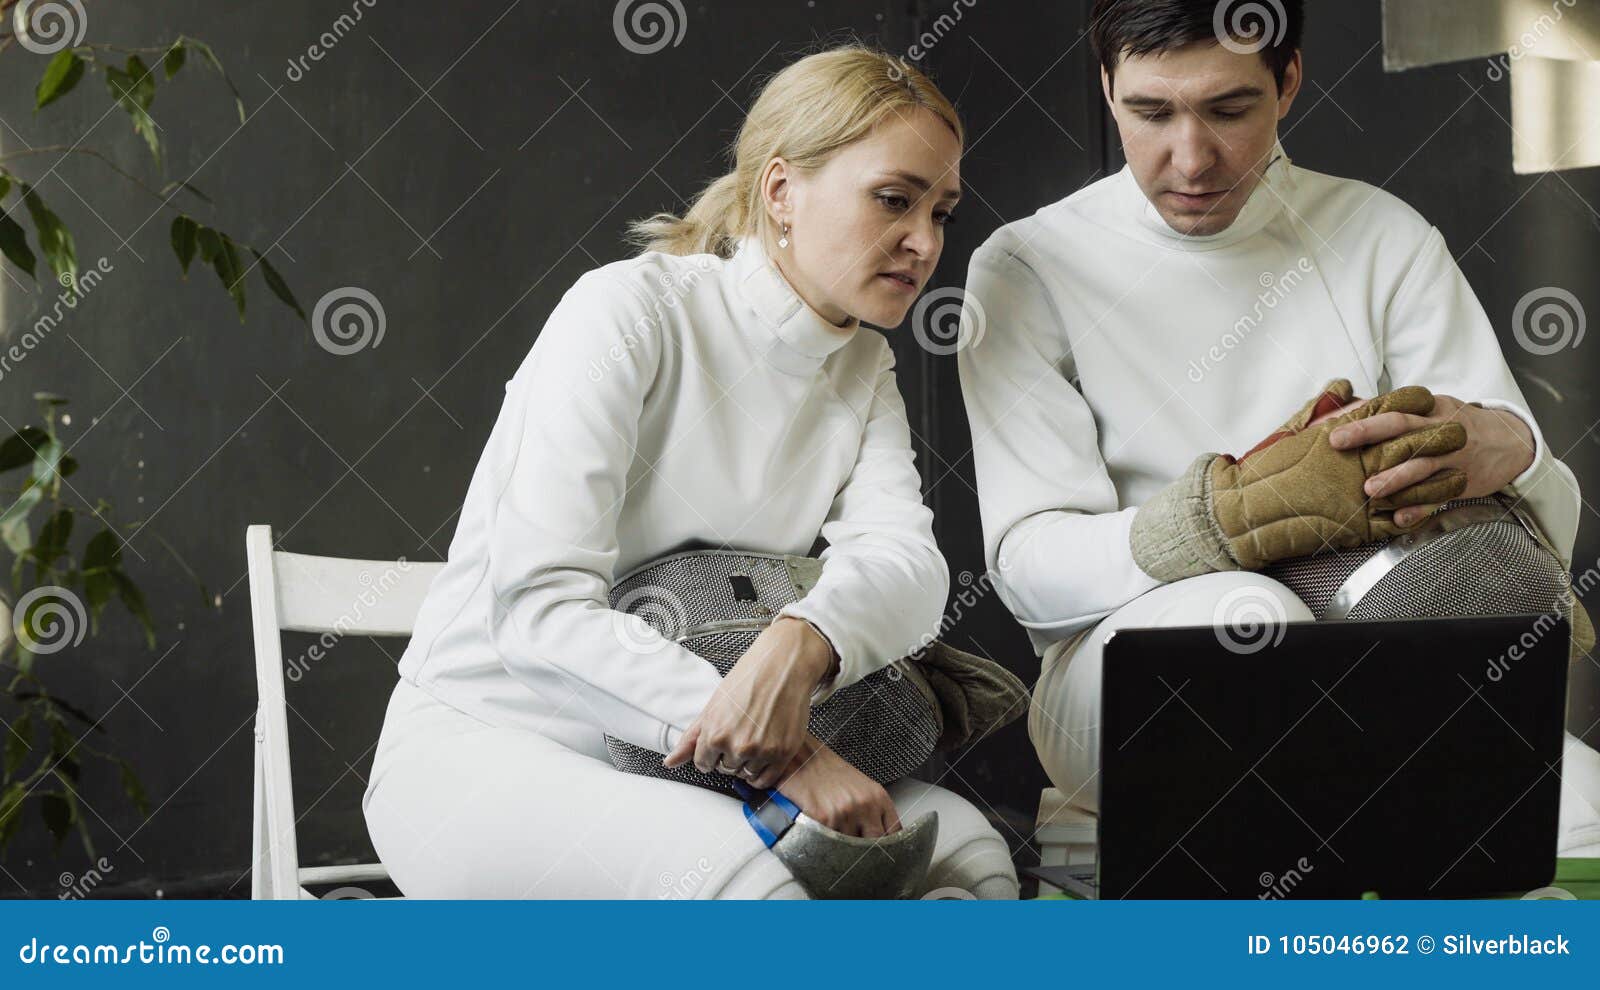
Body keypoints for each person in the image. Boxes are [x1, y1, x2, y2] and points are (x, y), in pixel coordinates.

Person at [362, 45, 1020, 899]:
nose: (925, 243)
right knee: (750, 887)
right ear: (781, 191)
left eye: (944, 213)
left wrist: (804, 640)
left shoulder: (864, 369)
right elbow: (538, 607)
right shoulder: (628, 312)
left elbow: (908, 567)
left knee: (972, 854)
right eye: (894, 200)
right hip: (488, 747)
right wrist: (792, 756)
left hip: (686, 768)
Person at [957, 0, 1600, 858]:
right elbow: (1029, 574)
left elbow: (1533, 547)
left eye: (1229, 110)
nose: (1190, 158)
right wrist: (1220, 520)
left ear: (1287, 81)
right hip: (1113, 681)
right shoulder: (1026, 267)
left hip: (1372, 664)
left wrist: (1510, 447)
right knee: (1247, 620)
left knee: (1583, 810)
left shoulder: (1381, 235)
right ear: (1107, 88)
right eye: (1150, 112)